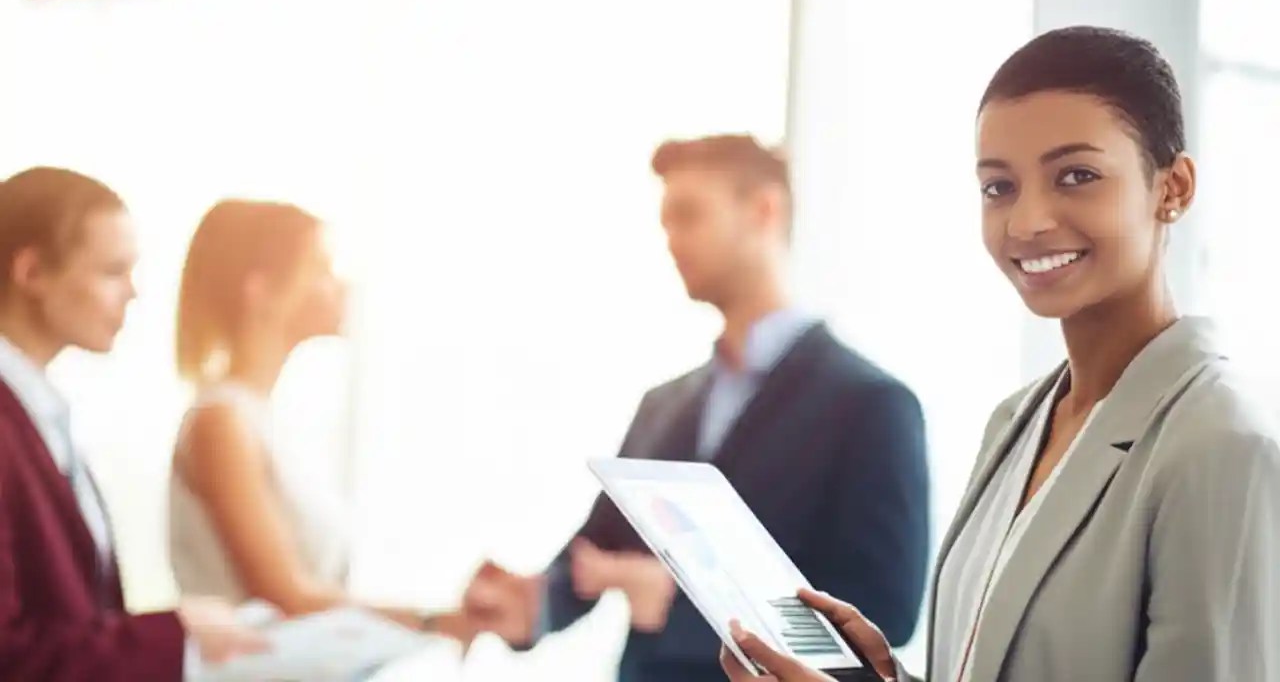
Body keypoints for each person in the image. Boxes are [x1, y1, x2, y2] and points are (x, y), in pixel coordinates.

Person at [721, 27, 1280, 682]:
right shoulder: (1016, 422)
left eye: (1077, 176)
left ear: (1173, 188)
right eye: (999, 187)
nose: (1027, 222)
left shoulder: (1221, 443)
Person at [463, 135, 930, 682]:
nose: (671, 241)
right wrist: (530, 605)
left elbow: (885, 612)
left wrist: (674, 609)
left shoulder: (872, 405)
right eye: (664, 223)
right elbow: (596, 554)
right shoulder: (663, 404)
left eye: (687, 216)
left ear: (763, 211)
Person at [0, 167, 266, 681]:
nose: (134, 293)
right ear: (31, 273)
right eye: (112, 271)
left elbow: (70, 615)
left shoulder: (40, 412)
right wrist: (176, 634)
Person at [167, 199, 472, 643]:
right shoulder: (222, 424)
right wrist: (436, 623)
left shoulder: (263, 421)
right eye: (321, 270)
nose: (341, 287)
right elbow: (288, 598)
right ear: (262, 291)